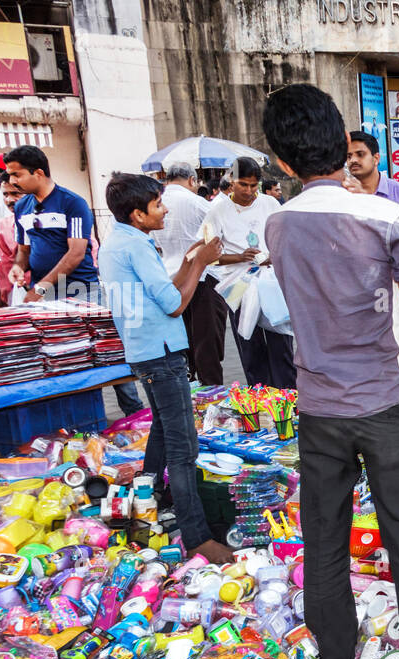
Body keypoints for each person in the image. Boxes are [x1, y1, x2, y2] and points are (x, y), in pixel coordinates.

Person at [261, 82, 399, 659]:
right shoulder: (386, 216)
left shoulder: (277, 225)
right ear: (343, 144)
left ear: (281, 161)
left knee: (323, 539)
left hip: (319, 408)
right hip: (385, 403)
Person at [98, 173, 233, 564]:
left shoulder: (123, 241)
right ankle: (197, 536)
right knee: (183, 445)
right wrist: (203, 262)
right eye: (158, 205)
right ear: (138, 214)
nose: (166, 209)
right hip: (160, 349)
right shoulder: (136, 247)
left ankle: (150, 496)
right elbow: (174, 304)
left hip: (146, 349)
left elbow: (165, 289)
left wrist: (192, 260)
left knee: (162, 427)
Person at [4, 144, 143, 415]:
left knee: (108, 354)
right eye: (10, 175)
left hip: (82, 292)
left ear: (39, 172)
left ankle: (136, 415)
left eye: (17, 175)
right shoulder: (22, 208)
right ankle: (84, 420)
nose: (12, 182)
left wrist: (42, 287)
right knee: (62, 357)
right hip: (44, 298)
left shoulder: (72, 203)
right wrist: (18, 269)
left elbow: (76, 253)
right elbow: (23, 251)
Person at [204, 157, 291, 387]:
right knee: (250, 347)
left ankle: (288, 400)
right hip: (238, 285)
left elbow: (285, 238)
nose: (249, 191)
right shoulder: (217, 210)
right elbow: (207, 256)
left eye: (254, 185)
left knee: (281, 344)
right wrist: (240, 257)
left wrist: (275, 255)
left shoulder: (270, 204)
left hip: (271, 282)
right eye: (243, 184)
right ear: (231, 181)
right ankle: (259, 400)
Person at [152, 161, 230, 386]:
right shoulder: (197, 203)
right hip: (204, 279)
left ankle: (192, 389)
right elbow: (220, 236)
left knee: (183, 342)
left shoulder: (156, 205)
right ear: (192, 181)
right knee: (207, 345)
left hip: (171, 280)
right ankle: (212, 395)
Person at [0, 172, 22, 304]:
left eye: (15, 194)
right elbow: (3, 267)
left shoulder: (49, 220)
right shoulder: (2, 226)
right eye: (5, 194)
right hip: (19, 292)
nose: (9, 200)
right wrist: (2, 295)